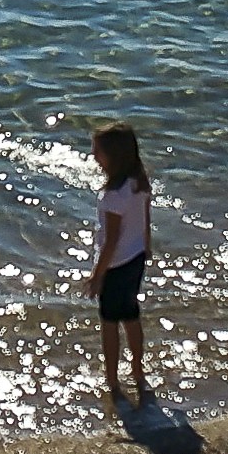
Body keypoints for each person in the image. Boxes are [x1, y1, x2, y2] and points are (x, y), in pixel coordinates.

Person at [86, 122, 152, 407]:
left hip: (116, 265)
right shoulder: (139, 182)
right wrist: (147, 248)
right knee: (131, 315)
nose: (93, 155)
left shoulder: (112, 195)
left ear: (113, 155)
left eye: (97, 150)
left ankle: (112, 378)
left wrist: (96, 275)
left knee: (110, 324)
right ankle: (137, 369)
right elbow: (146, 220)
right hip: (136, 257)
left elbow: (110, 241)